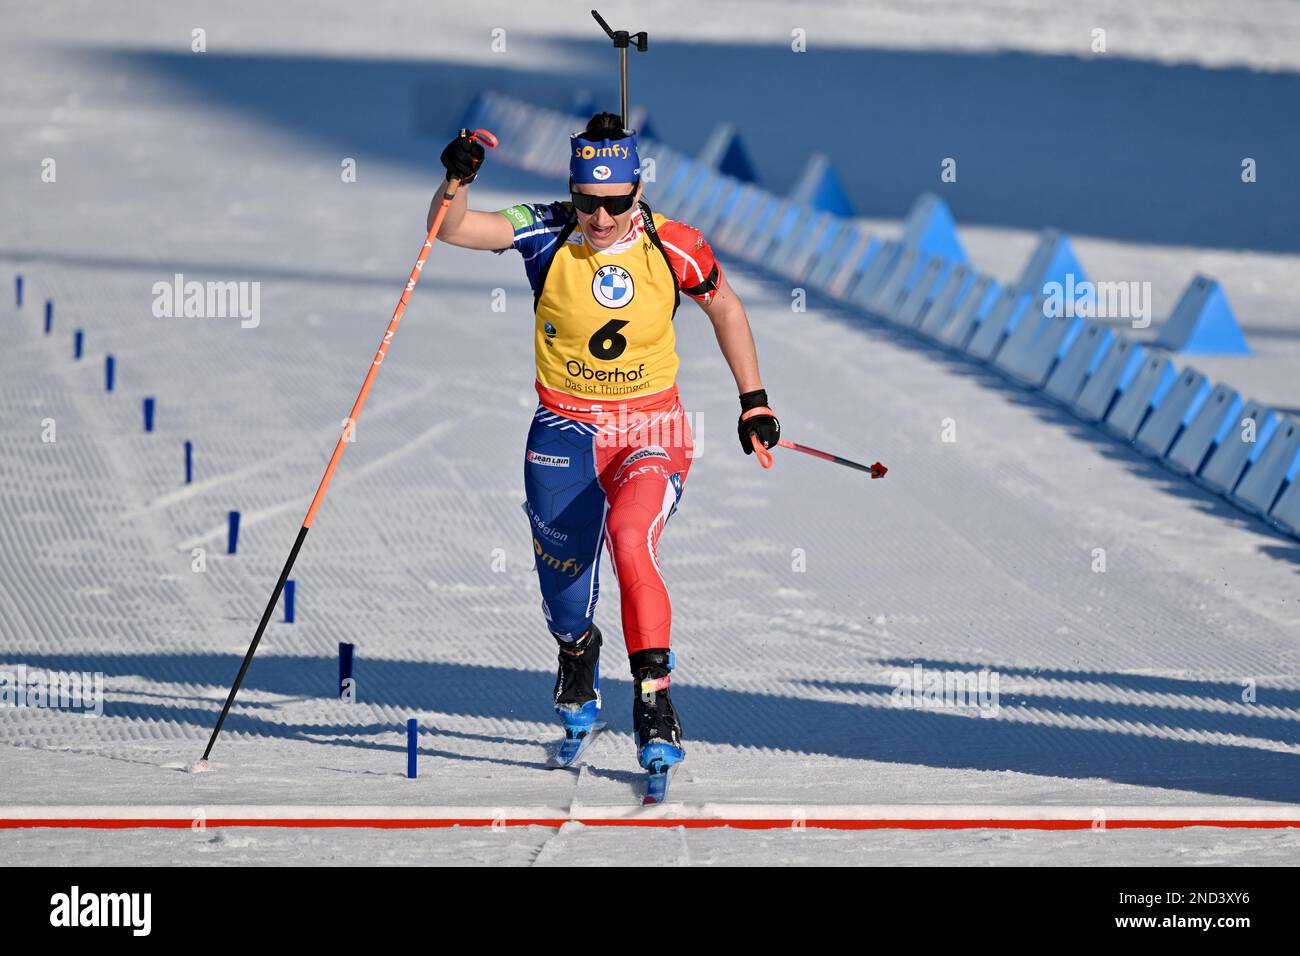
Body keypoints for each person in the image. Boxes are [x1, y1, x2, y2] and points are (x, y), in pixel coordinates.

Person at [429, 111, 779, 775]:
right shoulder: (546, 230)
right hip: (564, 431)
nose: (601, 219)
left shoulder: (673, 244)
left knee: (629, 537)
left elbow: (726, 306)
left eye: (616, 205)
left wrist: (753, 402)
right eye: (589, 203)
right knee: (564, 596)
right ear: (573, 193)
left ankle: (654, 701)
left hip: (652, 428)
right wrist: (456, 180)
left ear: (637, 194)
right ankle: (576, 647)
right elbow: (450, 228)